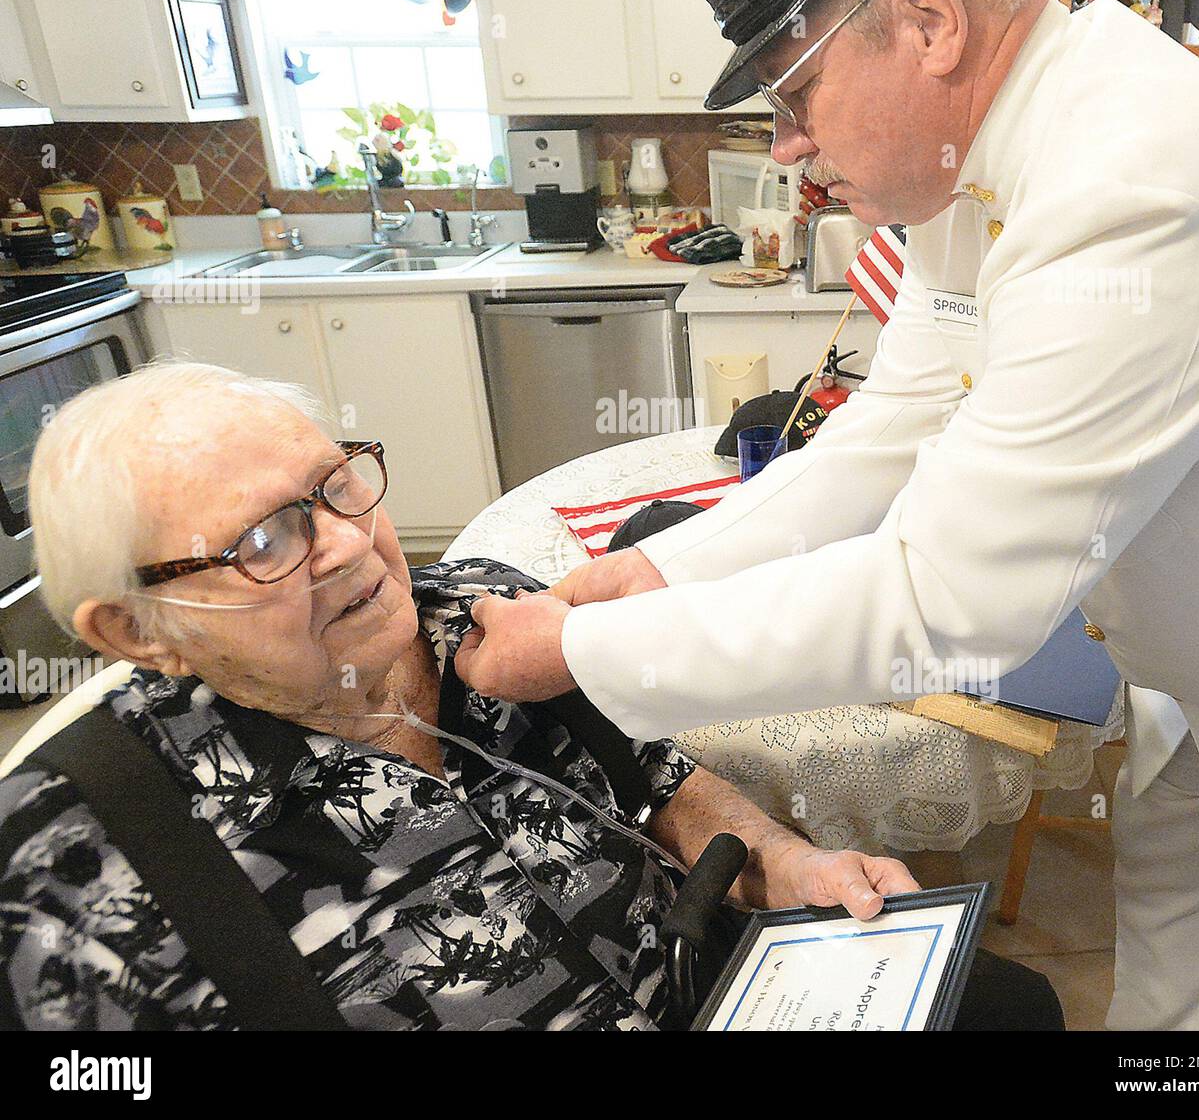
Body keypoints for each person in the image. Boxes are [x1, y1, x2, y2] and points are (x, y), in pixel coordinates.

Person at [452, 0, 1199, 1031]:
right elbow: (890, 426)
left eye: (795, 93)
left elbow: (943, 599)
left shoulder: (1132, 196)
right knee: (1179, 970)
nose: (789, 147)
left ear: (926, 19)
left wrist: (582, 656)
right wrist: (652, 571)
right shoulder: (998, 150)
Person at [0, 361, 1059, 1030]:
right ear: (139, 630)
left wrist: (780, 860)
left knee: (1011, 1006)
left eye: (333, 487)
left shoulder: (492, 622)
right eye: (263, 539)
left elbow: (665, 783)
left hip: (724, 992)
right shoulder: (71, 869)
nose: (349, 546)